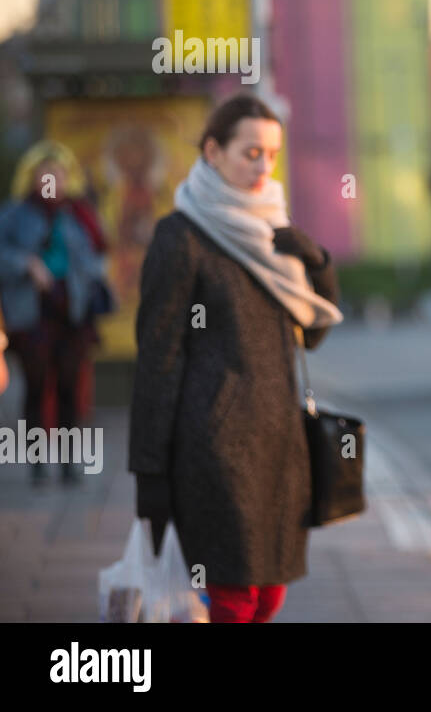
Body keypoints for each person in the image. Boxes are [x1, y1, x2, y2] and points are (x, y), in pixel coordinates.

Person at [128, 94, 344, 623]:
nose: (263, 167)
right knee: (232, 596)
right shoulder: (180, 238)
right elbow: (157, 358)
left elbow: (310, 335)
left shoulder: (276, 233)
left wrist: (317, 263)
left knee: (269, 595)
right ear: (213, 151)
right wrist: (150, 472)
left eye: (271, 154)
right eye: (250, 152)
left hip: (280, 446)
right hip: (213, 450)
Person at [0, 140, 110, 485]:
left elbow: (98, 251)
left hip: (71, 314)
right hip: (32, 314)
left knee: (68, 388)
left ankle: (67, 462)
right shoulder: (14, 214)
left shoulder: (76, 213)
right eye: (44, 175)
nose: (50, 182)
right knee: (35, 388)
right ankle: (36, 463)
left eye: (57, 176)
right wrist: (27, 264)